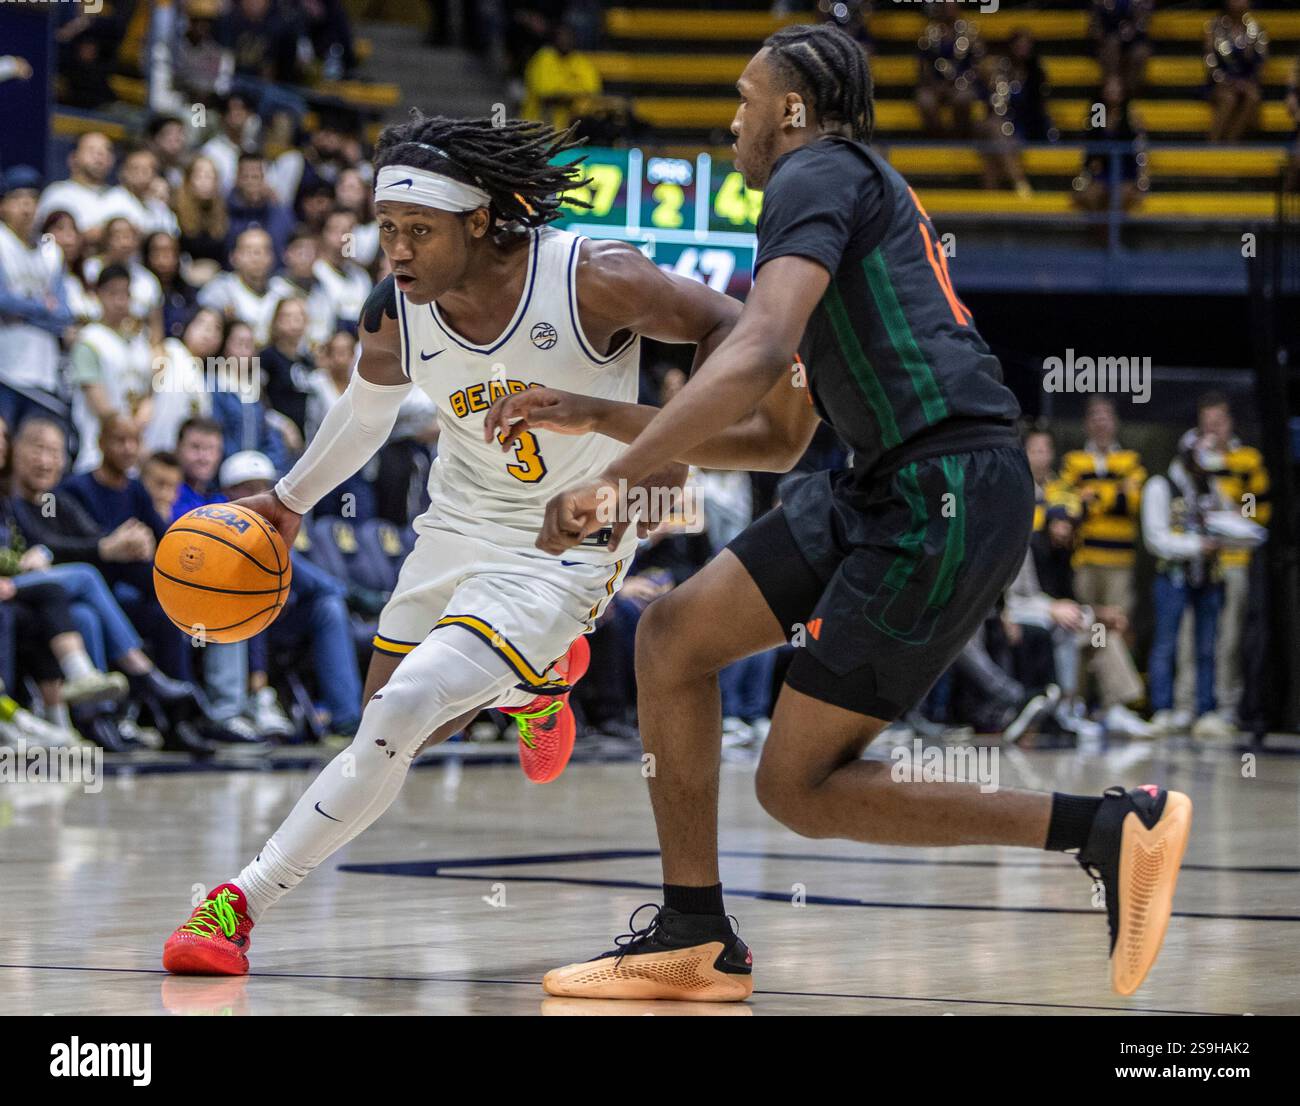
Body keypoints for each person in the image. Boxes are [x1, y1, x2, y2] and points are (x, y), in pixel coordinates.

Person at [509, 23, 1191, 1001]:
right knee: (672, 636)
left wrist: (618, 477)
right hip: (881, 480)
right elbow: (776, 437)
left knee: (794, 784)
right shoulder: (820, 207)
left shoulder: (813, 172)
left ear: (790, 109)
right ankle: (694, 931)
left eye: (745, 97)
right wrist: (602, 414)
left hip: (944, 487)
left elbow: (748, 356)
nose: (730, 118)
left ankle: (1105, 825)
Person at [161, 110, 744, 976]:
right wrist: (288, 503)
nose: (396, 249)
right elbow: (365, 416)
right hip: (458, 521)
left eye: (418, 231)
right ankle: (535, 685)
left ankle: (237, 905)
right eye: (388, 229)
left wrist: (656, 446)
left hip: (569, 536)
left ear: (479, 221)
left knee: (401, 715)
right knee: (389, 723)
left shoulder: (594, 278)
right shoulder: (395, 310)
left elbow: (735, 330)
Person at [1173, 392, 1269, 730]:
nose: (1212, 429)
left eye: (1218, 422)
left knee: (1228, 637)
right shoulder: (1193, 461)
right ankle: (1186, 706)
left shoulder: (1248, 459)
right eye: (1206, 423)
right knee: (1190, 635)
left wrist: (1223, 502)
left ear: (1229, 422)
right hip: (1199, 561)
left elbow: (1255, 512)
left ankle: (1225, 707)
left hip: (1234, 559)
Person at [1142, 432, 1232, 739]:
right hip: (1174, 576)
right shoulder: (1160, 485)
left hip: (1208, 578)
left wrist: (1228, 532)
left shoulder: (1212, 486)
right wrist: (1196, 546)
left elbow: (1230, 517)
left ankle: (1205, 711)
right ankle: (1163, 709)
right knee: (1166, 643)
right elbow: (1155, 538)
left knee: (1207, 646)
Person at [0, 166, 76, 432]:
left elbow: (65, 314)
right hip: (5, 370)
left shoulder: (50, 251)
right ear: (3, 206)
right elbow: (1, 301)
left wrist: (23, 313)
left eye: (33, 199)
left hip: (44, 371)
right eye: (18, 199)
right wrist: (43, 307)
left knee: (37, 446)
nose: (26, 207)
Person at [1059, 396, 1145, 624]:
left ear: (1115, 422)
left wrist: (1093, 495)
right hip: (1085, 558)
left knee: (1117, 623)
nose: (1101, 423)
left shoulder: (1130, 460)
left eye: (1106, 417)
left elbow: (1133, 502)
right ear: (1087, 423)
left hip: (1120, 560)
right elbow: (1069, 504)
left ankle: (1116, 662)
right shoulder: (1073, 460)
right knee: (1085, 623)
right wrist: (1116, 491)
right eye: (1095, 417)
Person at [68, 264, 154, 472]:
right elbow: (97, 400)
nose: (120, 301)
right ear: (98, 295)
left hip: (134, 446)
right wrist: (127, 427)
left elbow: (149, 392)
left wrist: (140, 420)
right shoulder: (89, 340)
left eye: (125, 293)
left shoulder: (139, 341)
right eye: (112, 293)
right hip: (97, 446)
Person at [1205, 0, 1269, 144]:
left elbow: (1261, 62)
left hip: (1247, 81)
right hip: (1220, 82)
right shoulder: (1214, 27)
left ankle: (1231, 142)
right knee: (1229, 99)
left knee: (1253, 97)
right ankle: (1212, 143)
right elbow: (1210, 59)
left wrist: (1249, 81)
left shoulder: (1256, 29)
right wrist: (1225, 80)